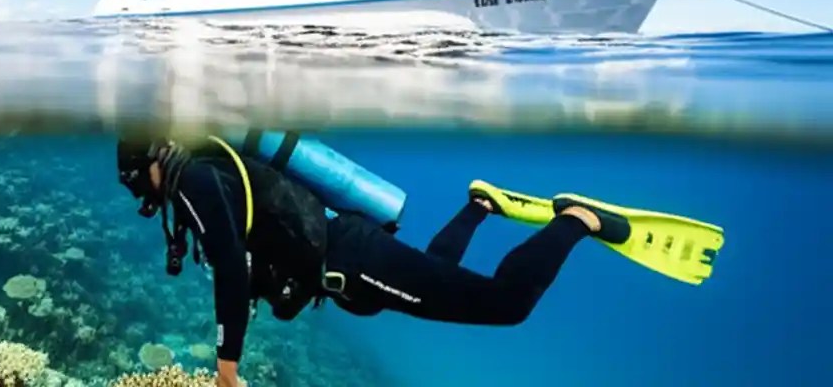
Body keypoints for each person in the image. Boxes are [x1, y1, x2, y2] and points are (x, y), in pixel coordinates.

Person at [116, 134, 723, 387]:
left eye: (135, 182)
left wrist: (226, 369)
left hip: (350, 258)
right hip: (349, 255)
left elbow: (226, 261)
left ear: (151, 161)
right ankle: (479, 207)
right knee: (425, 283)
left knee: (504, 305)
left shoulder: (192, 179)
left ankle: (576, 219)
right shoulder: (208, 166)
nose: (142, 196)